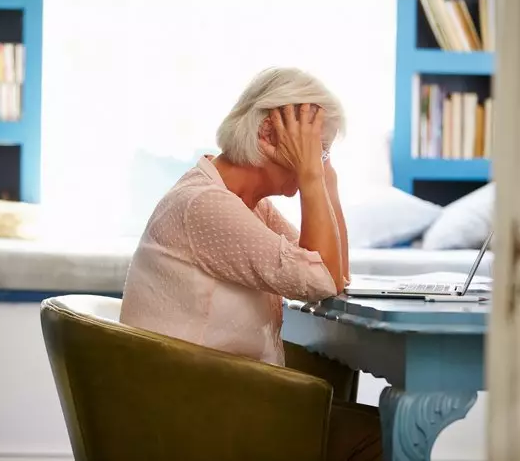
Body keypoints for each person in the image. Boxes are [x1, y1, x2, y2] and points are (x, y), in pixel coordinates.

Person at [120, 67, 381, 460]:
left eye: (322, 150)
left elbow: (334, 274)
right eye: (315, 146)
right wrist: (311, 176)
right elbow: (321, 279)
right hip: (189, 417)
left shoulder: (249, 207)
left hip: (223, 398)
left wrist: (327, 180)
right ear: (268, 134)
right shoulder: (204, 204)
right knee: (380, 433)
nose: (319, 159)